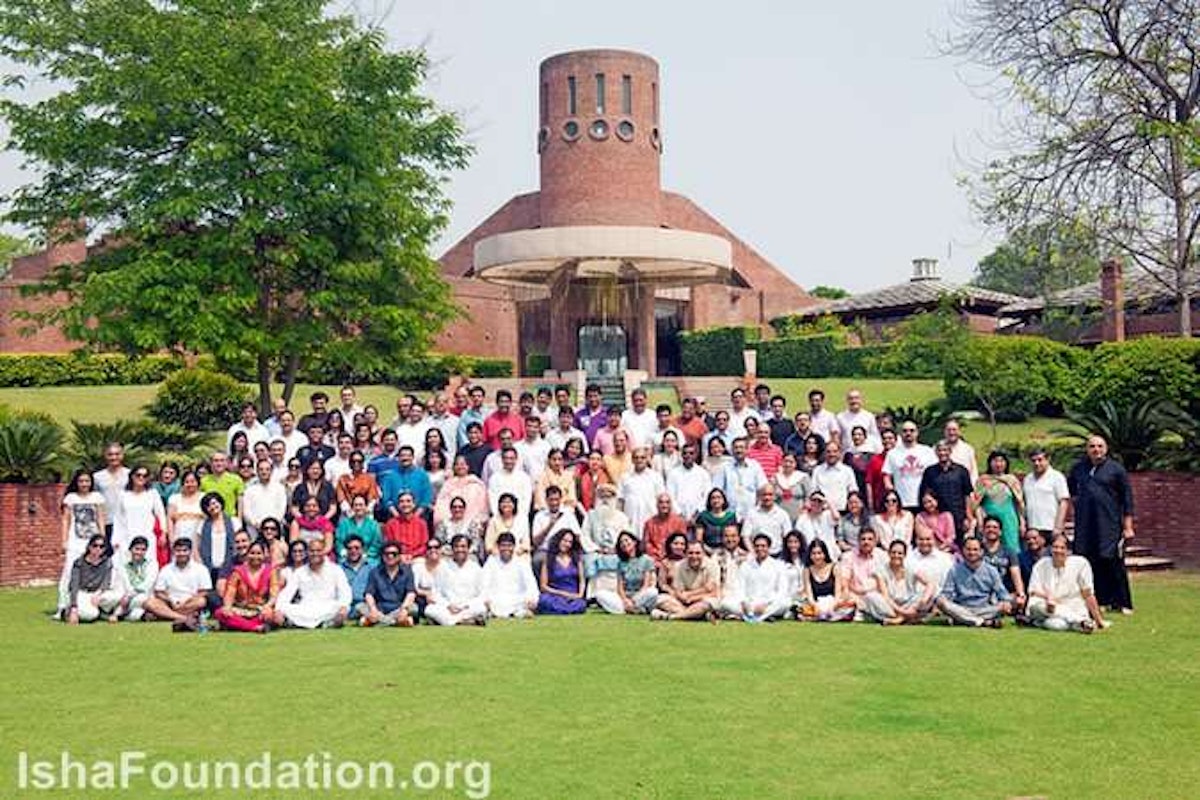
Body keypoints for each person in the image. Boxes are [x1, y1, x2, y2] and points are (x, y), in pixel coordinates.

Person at [1027, 534, 1108, 633]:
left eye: (1062, 548)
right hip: (1045, 607)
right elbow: (1032, 591)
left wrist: (1099, 620)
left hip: (1072, 608)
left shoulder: (1081, 563)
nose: (1058, 551)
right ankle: (1081, 622)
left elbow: (1088, 594)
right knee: (1036, 606)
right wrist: (1048, 597)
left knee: (1057, 625)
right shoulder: (1041, 564)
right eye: (1055, 547)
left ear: (1068, 551)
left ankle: (1039, 622)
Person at [270, 539, 352, 628]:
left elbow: (345, 591)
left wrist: (343, 607)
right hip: (305, 608)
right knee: (286, 608)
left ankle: (296, 623)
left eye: (318, 550)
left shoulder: (335, 569)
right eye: (312, 551)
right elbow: (287, 592)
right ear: (307, 552)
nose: (315, 554)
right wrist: (279, 610)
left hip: (328, 607)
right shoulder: (300, 572)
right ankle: (325, 623)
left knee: (340, 607)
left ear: (324, 551)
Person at [57, 471, 108, 615]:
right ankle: (63, 606)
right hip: (75, 541)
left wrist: (103, 538)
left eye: (87, 481)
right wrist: (64, 541)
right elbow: (66, 520)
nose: (84, 484)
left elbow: (100, 518)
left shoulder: (97, 497)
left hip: (93, 542)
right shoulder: (70, 498)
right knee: (69, 572)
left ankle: (93, 604)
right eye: (81, 481)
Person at [936, 537, 1012, 628]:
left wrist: (1006, 603)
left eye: (975, 549)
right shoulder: (954, 570)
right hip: (961, 607)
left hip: (985, 609)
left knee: (1002, 607)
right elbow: (947, 593)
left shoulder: (991, 571)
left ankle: (963, 620)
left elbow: (1003, 594)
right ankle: (981, 622)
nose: (972, 553)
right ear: (963, 550)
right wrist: (942, 600)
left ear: (982, 551)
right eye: (968, 549)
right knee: (941, 601)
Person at [143, 539, 212, 630]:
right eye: (178, 551)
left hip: (190, 603)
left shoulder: (201, 569)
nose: (181, 554)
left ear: (190, 552)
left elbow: (205, 591)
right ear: (174, 552)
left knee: (201, 601)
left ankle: (165, 615)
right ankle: (184, 618)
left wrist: (186, 601)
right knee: (149, 603)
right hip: (170, 603)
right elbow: (159, 592)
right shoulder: (166, 569)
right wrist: (171, 600)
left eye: (184, 550)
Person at [863, 540, 934, 625]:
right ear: (889, 553)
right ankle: (906, 618)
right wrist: (903, 612)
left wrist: (923, 600)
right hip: (891, 606)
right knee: (870, 596)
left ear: (905, 555)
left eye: (900, 553)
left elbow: (930, 583)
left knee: (931, 593)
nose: (896, 556)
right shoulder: (881, 570)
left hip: (910, 604)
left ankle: (899, 619)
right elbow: (885, 596)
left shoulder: (911, 568)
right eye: (893, 552)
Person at [213, 539, 277, 633]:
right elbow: (230, 592)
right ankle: (255, 628)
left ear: (264, 555)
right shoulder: (238, 571)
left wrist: (267, 607)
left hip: (260, 609)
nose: (255, 556)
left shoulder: (270, 571)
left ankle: (239, 625)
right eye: (252, 553)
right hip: (240, 609)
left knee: (271, 615)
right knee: (220, 613)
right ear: (247, 555)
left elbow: (274, 594)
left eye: (259, 553)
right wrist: (227, 606)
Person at [918, 440, 976, 542]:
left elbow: (967, 494)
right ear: (936, 452)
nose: (942, 453)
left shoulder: (961, 471)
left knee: (959, 544)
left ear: (950, 451)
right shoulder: (929, 472)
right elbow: (924, 494)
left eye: (945, 450)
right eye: (939, 450)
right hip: (939, 517)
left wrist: (968, 516)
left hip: (958, 515)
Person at [651, 541, 720, 621]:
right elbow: (678, 591)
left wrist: (691, 597)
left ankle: (671, 617)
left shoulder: (712, 565)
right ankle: (698, 616)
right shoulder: (679, 566)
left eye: (698, 553)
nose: (694, 556)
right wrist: (684, 597)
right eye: (691, 553)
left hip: (702, 600)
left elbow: (713, 592)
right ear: (686, 554)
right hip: (683, 603)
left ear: (703, 554)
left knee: (708, 603)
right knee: (661, 599)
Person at [973, 451, 1025, 555]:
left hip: (1009, 519)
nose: (998, 464)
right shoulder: (983, 480)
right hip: (989, 519)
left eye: (1001, 461)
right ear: (990, 463)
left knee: (1011, 548)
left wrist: (1022, 523)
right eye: (995, 461)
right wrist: (980, 521)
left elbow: (1019, 503)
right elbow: (976, 504)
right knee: (989, 547)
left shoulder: (1012, 480)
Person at [594, 532, 658, 615]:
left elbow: (646, 585)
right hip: (625, 597)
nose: (624, 543)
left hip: (640, 596)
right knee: (599, 594)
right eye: (621, 542)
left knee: (653, 592)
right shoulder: (621, 563)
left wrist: (633, 600)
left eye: (626, 540)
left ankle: (630, 608)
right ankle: (630, 609)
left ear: (634, 542)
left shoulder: (646, 560)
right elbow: (620, 587)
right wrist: (625, 600)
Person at [63, 534, 122, 624]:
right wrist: (74, 607)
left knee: (118, 596)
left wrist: (98, 594)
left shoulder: (107, 562)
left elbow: (106, 582)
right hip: (82, 593)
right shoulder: (79, 562)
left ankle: (100, 612)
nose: (98, 549)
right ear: (89, 547)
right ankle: (68, 611)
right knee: (91, 614)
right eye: (95, 546)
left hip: (97, 593)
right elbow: (74, 585)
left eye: (101, 546)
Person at [481, 532, 540, 619]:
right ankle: (514, 614)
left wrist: (532, 599)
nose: (506, 549)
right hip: (496, 599)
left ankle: (516, 613)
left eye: (509, 546)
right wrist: (485, 599)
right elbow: (484, 584)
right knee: (481, 604)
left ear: (514, 546)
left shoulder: (522, 562)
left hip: (517, 600)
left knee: (527, 602)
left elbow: (531, 584)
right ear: (498, 547)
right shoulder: (491, 562)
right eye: (503, 545)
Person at [359, 541, 417, 627]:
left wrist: (404, 609)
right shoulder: (375, 572)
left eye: (394, 554)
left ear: (399, 556)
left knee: (414, 608)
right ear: (382, 556)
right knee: (359, 607)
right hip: (379, 608)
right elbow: (369, 594)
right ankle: (395, 622)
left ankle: (377, 622)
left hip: (399, 607)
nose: (390, 556)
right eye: (387, 554)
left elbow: (411, 593)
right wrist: (373, 609)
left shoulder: (407, 572)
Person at [883, 421, 937, 513]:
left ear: (917, 433)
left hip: (924, 501)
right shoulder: (892, 453)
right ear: (900, 434)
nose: (908, 433)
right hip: (901, 501)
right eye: (905, 431)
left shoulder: (927, 451)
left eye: (912, 430)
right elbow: (886, 475)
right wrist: (891, 490)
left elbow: (935, 473)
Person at [737, 533, 790, 622]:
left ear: (769, 548)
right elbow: (740, 587)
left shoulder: (778, 565)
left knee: (786, 604)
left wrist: (766, 604)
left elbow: (782, 591)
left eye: (763, 546)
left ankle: (756, 617)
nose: (760, 548)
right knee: (725, 604)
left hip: (768, 604)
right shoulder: (745, 565)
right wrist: (744, 602)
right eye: (757, 546)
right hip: (749, 604)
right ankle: (761, 615)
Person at [797, 539, 853, 622]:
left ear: (825, 554)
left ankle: (823, 616)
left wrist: (833, 606)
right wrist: (815, 606)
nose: (817, 557)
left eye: (819, 553)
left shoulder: (835, 568)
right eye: (814, 554)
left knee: (849, 605)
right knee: (800, 607)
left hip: (833, 602)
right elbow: (809, 595)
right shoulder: (807, 570)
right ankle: (824, 616)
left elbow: (838, 593)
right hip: (816, 603)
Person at [115, 466, 166, 555]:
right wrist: (116, 539)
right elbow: (118, 518)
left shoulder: (152, 493)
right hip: (127, 536)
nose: (141, 478)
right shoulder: (123, 495)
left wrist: (163, 534)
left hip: (147, 535)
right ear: (132, 476)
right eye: (138, 475)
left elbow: (161, 514)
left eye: (145, 476)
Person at [1023, 448, 1070, 539]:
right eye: (1033, 461)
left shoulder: (1057, 477)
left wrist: (1058, 526)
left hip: (1051, 527)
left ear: (1048, 460)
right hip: (1033, 528)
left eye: (1040, 460)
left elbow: (1063, 502)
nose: (1037, 463)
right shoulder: (1027, 479)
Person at [537, 530, 587, 615]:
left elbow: (582, 581)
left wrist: (579, 594)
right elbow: (543, 587)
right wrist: (563, 594)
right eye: (564, 541)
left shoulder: (577, 559)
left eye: (570, 542)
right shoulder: (548, 559)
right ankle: (566, 610)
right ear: (558, 540)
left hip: (573, 597)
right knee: (544, 601)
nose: (567, 544)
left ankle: (561, 610)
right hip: (554, 595)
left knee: (580, 604)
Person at [980, 515, 1026, 606]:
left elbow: (1016, 574)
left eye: (995, 527)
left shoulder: (1009, 552)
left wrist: (1021, 594)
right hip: (981, 592)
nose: (991, 530)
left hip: (1004, 593)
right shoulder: (977, 551)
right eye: (988, 527)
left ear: (1000, 532)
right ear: (983, 530)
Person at [619, 447, 665, 536]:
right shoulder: (625, 477)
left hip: (650, 520)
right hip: (630, 520)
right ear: (632, 460)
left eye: (642, 457)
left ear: (647, 459)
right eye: (636, 457)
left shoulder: (656, 477)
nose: (639, 460)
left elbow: (661, 499)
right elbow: (620, 501)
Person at [839, 528, 888, 612]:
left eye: (870, 539)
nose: (866, 542)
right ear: (858, 541)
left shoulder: (882, 556)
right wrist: (846, 594)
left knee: (875, 599)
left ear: (875, 541)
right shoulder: (848, 556)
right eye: (863, 539)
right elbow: (845, 580)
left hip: (876, 595)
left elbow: (887, 579)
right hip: (855, 595)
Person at [240, 458, 288, 539]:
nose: (264, 472)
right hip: (254, 530)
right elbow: (246, 511)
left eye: (267, 469)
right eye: (261, 469)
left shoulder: (279, 488)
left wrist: (271, 525)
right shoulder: (250, 490)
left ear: (271, 471)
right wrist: (256, 524)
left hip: (274, 528)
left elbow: (281, 509)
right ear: (257, 471)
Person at [113, 536, 158, 621]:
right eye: (137, 549)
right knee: (115, 598)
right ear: (130, 549)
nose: (139, 552)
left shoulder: (152, 564)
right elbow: (125, 584)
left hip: (143, 596)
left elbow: (147, 585)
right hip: (125, 596)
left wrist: (130, 596)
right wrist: (127, 596)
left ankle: (120, 613)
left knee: (141, 600)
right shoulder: (123, 564)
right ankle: (124, 613)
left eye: (143, 550)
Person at [435, 454, 489, 526]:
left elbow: (481, 508)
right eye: (457, 464)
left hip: (472, 524)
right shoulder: (448, 485)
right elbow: (441, 506)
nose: (460, 467)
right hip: (451, 524)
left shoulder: (477, 484)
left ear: (468, 466)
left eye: (463, 464)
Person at [93, 443, 130, 544]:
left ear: (122, 455)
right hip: (106, 522)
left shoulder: (130, 475)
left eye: (117, 454)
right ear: (105, 456)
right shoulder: (97, 477)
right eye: (110, 454)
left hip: (126, 521)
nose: (114, 457)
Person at [196, 492, 237, 583]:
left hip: (230, 566)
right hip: (208, 567)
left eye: (214, 503)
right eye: (208, 505)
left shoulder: (234, 522)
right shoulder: (202, 524)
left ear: (220, 503)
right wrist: (200, 564)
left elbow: (239, 544)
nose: (212, 507)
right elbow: (196, 546)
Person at [742, 484, 791, 554]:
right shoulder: (751, 514)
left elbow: (787, 536)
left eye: (770, 494)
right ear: (759, 496)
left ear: (775, 496)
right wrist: (753, 553)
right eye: (764, 494)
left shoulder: (782, 514)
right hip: (757, 554)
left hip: (777, 554)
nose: (767, 497)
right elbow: (745, 536)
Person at [811, 439, 857, 513]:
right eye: (828, 451)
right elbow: (813, 491)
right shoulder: (817, 470)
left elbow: (853, 490)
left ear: (840, 453)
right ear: (824, 453)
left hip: (843, 512)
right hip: (823, 512)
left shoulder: (847, 470)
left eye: (835, 451)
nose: (832, 454)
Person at [906, 527, 955, 595]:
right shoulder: (908, 558)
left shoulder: (944, 559)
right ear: (916, 540)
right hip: (912, 598)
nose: (924, 542)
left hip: (938, 598)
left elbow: (947, 585)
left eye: (928, 539)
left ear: (934, 540)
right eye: (921, 539)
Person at [485, 492, 533, 561]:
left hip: (519, 553)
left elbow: (526, 543)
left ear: (514, 504)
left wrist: (517, 552)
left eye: (509, 502)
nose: (506, 504)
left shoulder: (523, 520)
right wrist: (499, 553)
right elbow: (489, 544)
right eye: (503, 502)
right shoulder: (493, 520)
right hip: (498, 553)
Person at [486, 446, 532, 518]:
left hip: (520, 518)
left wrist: (518, 517)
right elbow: (493, 500)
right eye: (506, 458)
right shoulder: (494, 478)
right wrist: (499, 516)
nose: (508, 461)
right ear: (502, 459)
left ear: (516, 459)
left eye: (511, 458)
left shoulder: (524, 478)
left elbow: (526, 500)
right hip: (499, 518)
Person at [436, 495, 486, 562]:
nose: (457, 509)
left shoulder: (472, 524)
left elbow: (476, 543)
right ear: (450, 509)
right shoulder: (443, 524)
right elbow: (438, 543)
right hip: (448, 555)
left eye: (460, 507)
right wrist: (452, 552)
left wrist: (463, 551)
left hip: (468, 555)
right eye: (454, 507)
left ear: (464, 509)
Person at [335, 494, 383, 563]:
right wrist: (345, 553)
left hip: (368, 558)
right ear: (352, 507)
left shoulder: (374, 524)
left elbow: (376, 544)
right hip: (347, 557)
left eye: (361, 505)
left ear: (366, 507)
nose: (358, 508)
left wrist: (364, 555)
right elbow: (339, 542)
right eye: (356, 505)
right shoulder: (344, 523)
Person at [642, 493, 688, 563]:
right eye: (661, 502)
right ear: (657, 505)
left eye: (667, 502)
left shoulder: (679, 522)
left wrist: (669, 554)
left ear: (671, 505)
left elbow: (683, 542)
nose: (664, 505)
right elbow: (647, 544)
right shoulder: (649, 523)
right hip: (655, 559)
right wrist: (657, 555)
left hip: (675, 558)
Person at [383, 492, 430, 560]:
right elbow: (389, 545)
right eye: (402, 501)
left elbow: (424, 545)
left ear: (414, 504)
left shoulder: (421, 523)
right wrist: (400, 556)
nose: (405, 504)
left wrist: (412, 555)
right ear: (398, 505)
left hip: (417, 557)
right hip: (397, 558)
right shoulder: (391, 524)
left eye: (408, 501)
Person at [338, 535, 374, 620]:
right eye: (350, 548)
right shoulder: (339, 569)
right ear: (346, 550)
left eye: (357, 548)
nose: (353, 551)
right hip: (345, 606)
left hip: (365, 604)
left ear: (363, 549)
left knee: (362, 608)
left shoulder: (371, 568)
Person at [794, 491, 838, 558]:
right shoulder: (803, 518)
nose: (816, 503)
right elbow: (798, 536)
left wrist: (827, 502)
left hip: (828, 553)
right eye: (814, 500)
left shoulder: (828, 515)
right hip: (809, 553)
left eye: (819, 501)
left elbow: (837, 518)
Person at [199, 452, 245, 517]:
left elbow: (240, 502)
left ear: (226, 463)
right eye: (216, 461)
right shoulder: (204, 481)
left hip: (229, 518)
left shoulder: (236, 479)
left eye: (222, 460)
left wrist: (239, 519)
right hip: (210, 518)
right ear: (211, 463)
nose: (219, 463)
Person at [914, 490, 958, 555]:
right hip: (927, 548)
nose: (928, 505)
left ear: (936, 500)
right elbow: (922, 536)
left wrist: (942, 547)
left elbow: (951, 536)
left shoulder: (947, 515)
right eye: (925, 503)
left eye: (930, 501)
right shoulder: (920, 517)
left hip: (946, 548)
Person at [864, 428, 896, 512]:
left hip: (899, 503)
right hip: (880, 503)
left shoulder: (901, 459)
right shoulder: (875, 460)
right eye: (884, 438)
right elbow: (869, 483)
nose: (887, 441)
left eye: (890, 438)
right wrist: (870, 503)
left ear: (896, 440)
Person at [943, 420, 979, 484]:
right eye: (948, 430)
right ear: (944, 432)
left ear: (959, 431)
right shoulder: (937, 448)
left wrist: (972, 486)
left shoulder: (968, 449)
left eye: (954, 430)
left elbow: (974, 472)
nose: (951, 432)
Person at [1017, 527, 1049, 592]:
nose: (1031, 541)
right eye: (1028, 539)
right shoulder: (1021, 558)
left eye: (1034, 538)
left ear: (1043, 540)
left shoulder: (1052, 555)